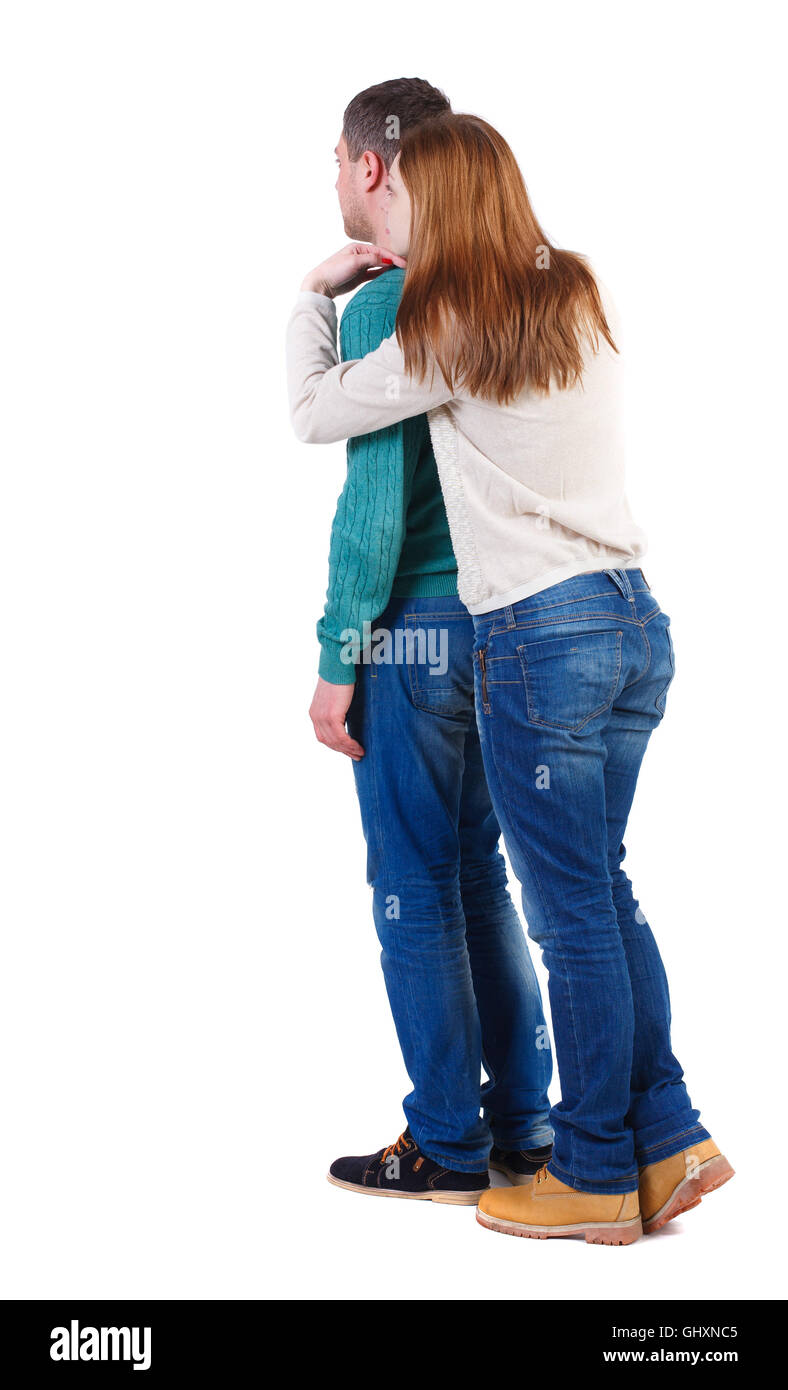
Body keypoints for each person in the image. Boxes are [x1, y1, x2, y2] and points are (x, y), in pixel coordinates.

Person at [286, 111, 733, 1244]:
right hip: (635, 618)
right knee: (600, 892)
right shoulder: (576, 286)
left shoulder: (442, 319)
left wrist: (313, 291)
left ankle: (588, 1174)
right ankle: (666, 1131)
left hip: (536, 638)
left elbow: (317, 412)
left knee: (567, 912)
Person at [310, 82, 553, 1204]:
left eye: (336, 159)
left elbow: (371, 508)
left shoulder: (384, 306)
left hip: (410, 633)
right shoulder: (510, 300)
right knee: (478, 879)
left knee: (410, 882)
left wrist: (333, 660)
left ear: (370, 167)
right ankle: (525, 1126)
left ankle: (445, 1143)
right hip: (506, 623)